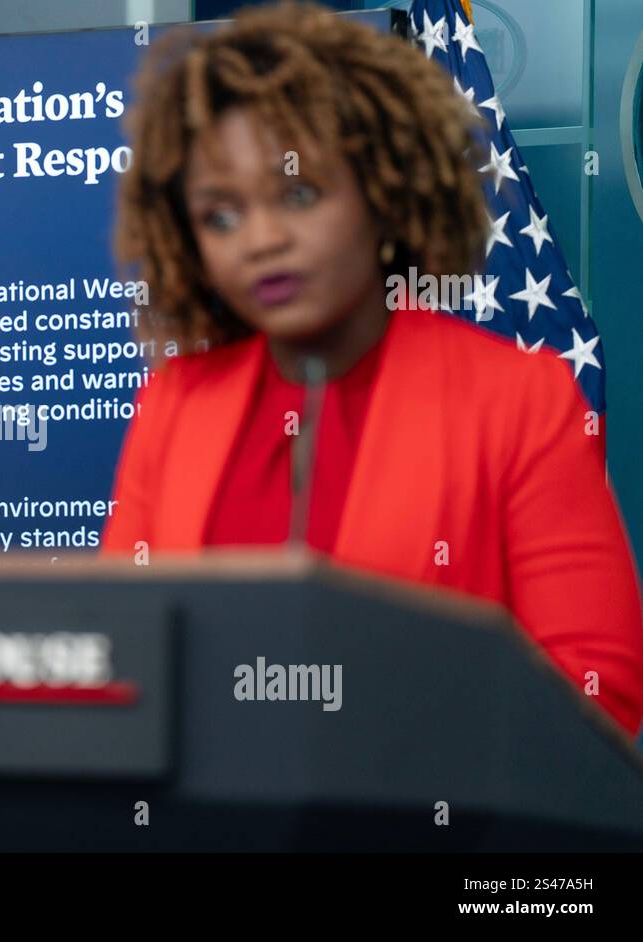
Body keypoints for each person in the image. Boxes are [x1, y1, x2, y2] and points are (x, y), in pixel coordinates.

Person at [100, 1, 643, 735]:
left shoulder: (520, 399)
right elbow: (126, 659)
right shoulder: (174, 404)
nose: (261, 239)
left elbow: (596, 686)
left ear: (383, 194)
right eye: (221, 214)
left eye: (298, 195)